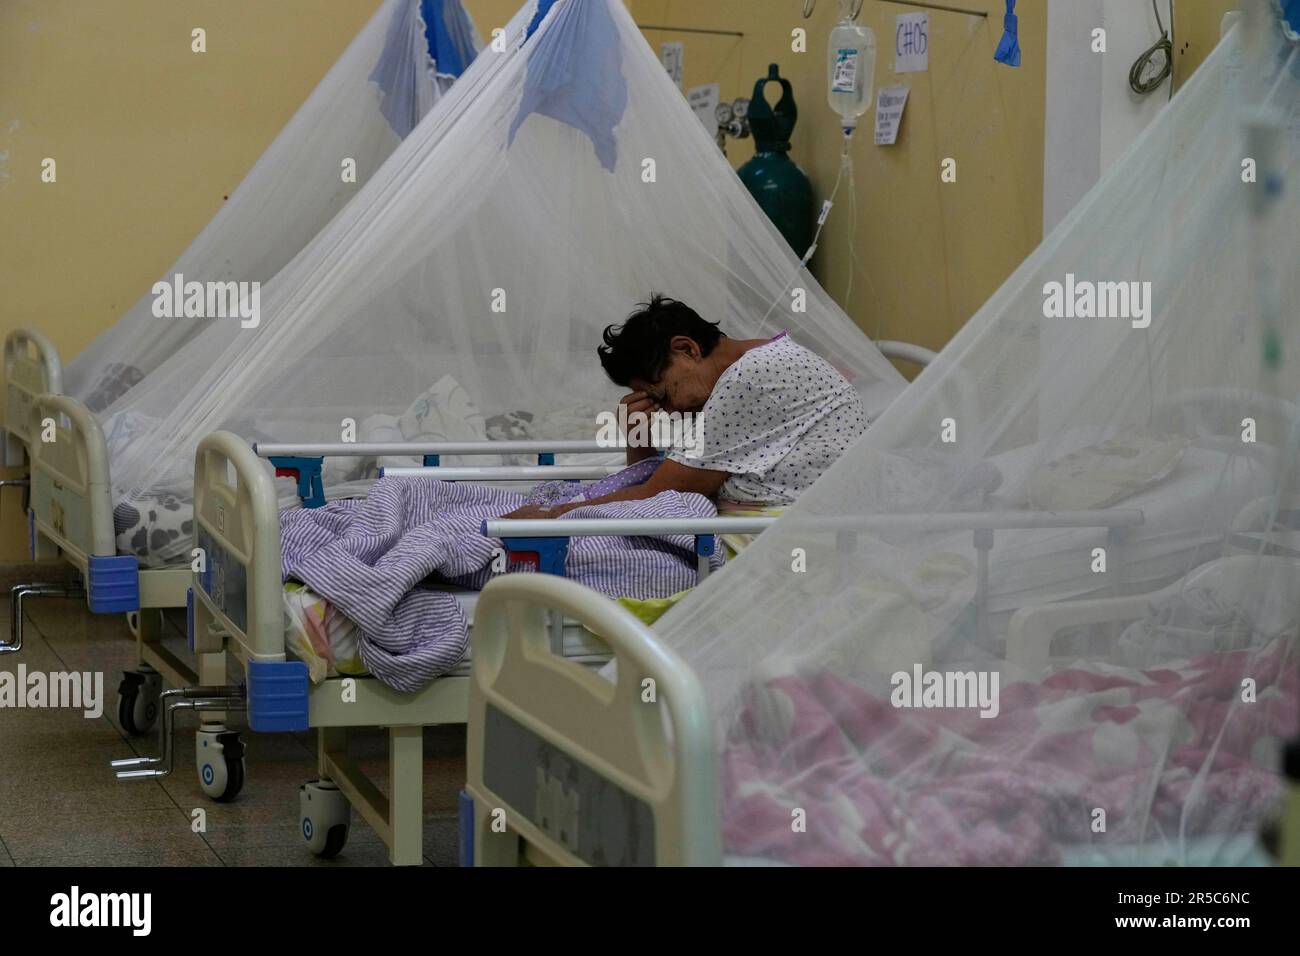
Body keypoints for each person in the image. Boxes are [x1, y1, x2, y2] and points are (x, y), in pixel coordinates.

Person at [500, 294, 867, 518]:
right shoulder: (760, 361)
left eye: (661, 395)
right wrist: (638, 438)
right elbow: (660, 488)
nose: (668, 412)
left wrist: (551, 517)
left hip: (786, 532)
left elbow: (659, 495)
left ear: (687, 349)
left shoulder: (751, 376)